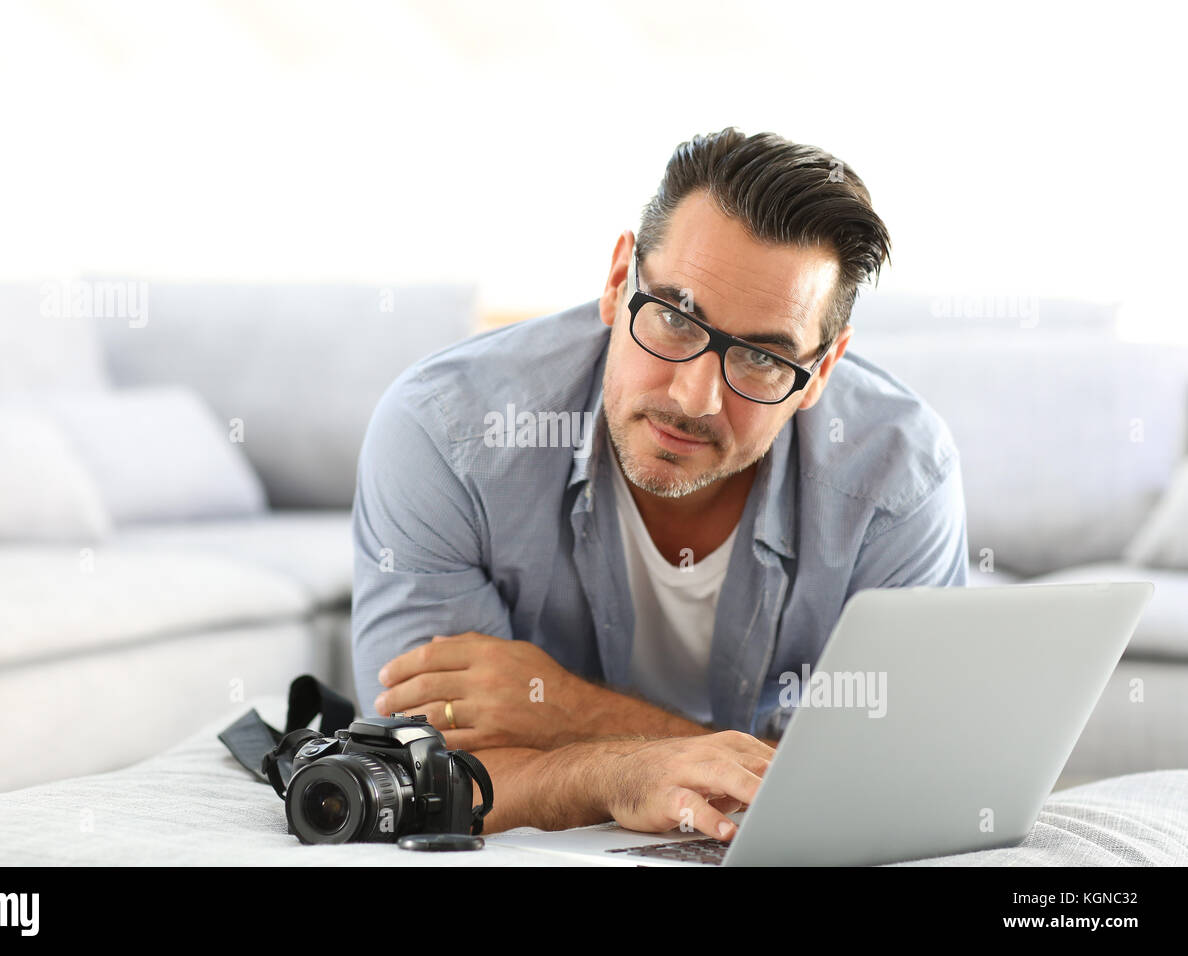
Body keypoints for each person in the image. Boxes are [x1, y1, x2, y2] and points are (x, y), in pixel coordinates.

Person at [350, 128, 968, 841]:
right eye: (675, 318)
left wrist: (577, 718)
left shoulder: (899, 476)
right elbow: (421, 773)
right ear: (618, 281)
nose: (695, 397)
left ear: (821, 372)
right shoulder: (446, 432)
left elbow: (883, 793)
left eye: (764, 360)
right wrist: (627, 773)